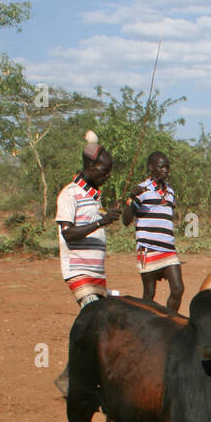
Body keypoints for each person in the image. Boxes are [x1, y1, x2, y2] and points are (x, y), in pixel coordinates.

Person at [55, 131, 120, 307]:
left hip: (97, 273)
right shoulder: (69, 194)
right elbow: (68, 233)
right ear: (91, 166)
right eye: (104, 171)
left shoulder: (93, 196)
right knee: (92, 311)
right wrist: (102, 221)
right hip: (78, 271)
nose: (107, 176)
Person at [125, 151, 183, 312]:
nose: (165, 170)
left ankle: (170, 319)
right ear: (151, 168)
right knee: (149, 293)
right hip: (148, 249)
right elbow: (125, 220)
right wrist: (131, 199)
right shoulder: (142, 190)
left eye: (167, 167)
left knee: (178, 289)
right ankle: (144, 323)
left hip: (168, 249)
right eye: (161, 167)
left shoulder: (170, 191)